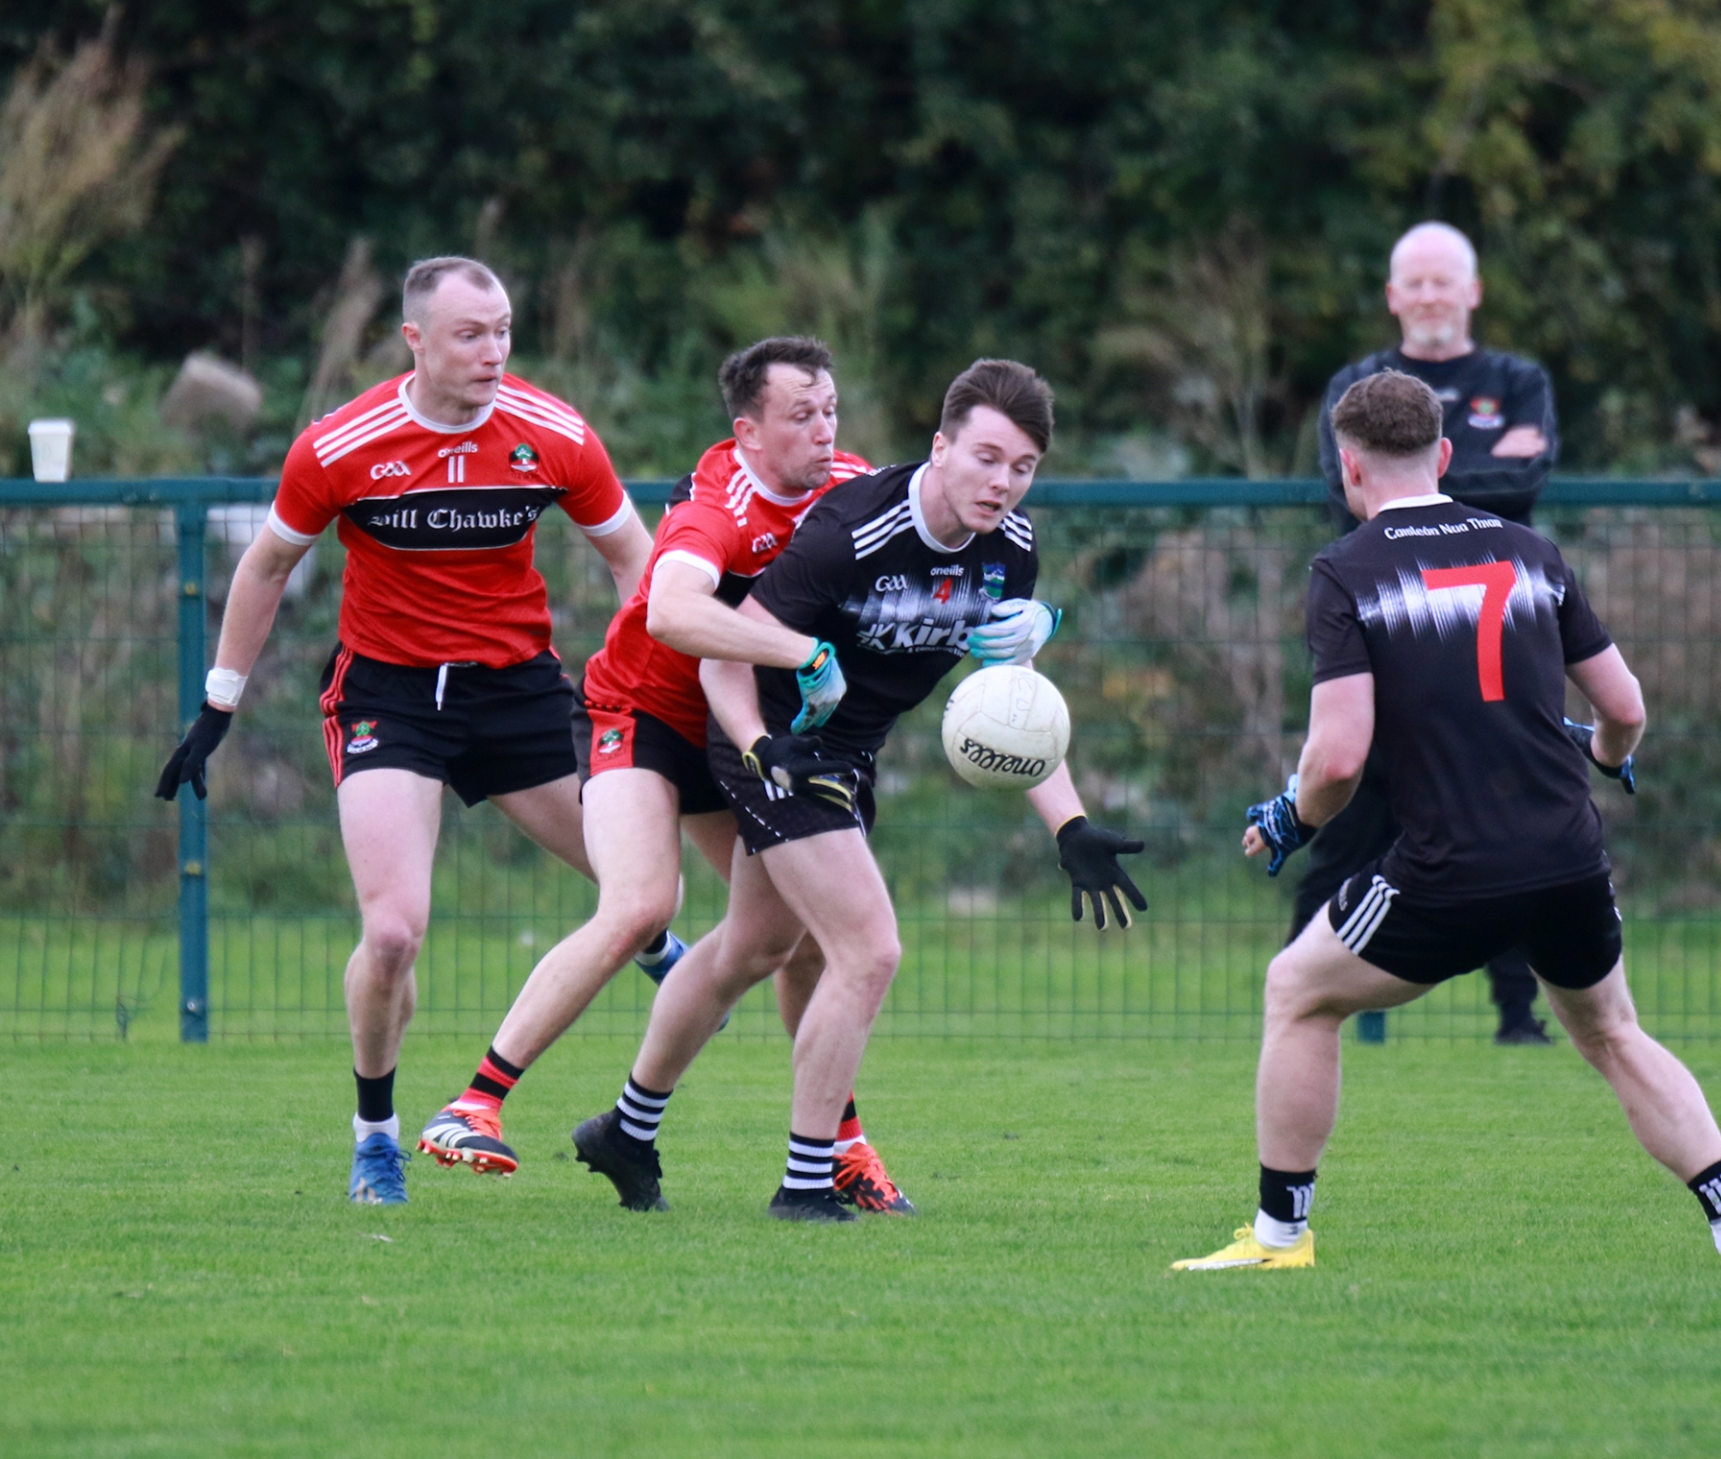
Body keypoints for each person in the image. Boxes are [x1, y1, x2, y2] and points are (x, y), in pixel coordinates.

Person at [1172, 369, 1721, 1271]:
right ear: (1446, 455)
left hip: (1451, 869)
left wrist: (1291, 820)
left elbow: (1337, 759)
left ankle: (1278, 1240)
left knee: (1297, 994)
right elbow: (1626, 706)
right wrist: (1608, 758)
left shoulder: (1348, 571)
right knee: (1615, 1032)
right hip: (1570, 855)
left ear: (1349, 468)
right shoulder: (1530, 551)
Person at [572, 358, 1150, 1222]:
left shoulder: (1012, 552)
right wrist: (762, 747)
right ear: (941, 446)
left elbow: (1014, 705)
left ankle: (626, 1128)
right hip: (773, 745)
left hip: (846, 756)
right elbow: (728, 654)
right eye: (986, 458)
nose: (1002, 484)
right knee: (869, 948)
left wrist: (1069, 823)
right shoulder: (854, 530)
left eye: (1022, 468)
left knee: (750, 949)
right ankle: (809, 1181)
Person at [155, 256, 653, 1206]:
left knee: (641, 891)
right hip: (389, 698)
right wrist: (219, 704)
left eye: (504, 329)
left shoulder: (551, 433)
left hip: (516, 694)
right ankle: (376, 1139)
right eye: (471, 334)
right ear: (415, 340)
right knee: (391, 934)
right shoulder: (342, 446)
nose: (494, 351)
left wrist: (649, 687)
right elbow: (263, 569)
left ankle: (663, 968)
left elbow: (635, 557)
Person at [415, 336, 914, 1211]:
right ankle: (475, 1103)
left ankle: (811, 1146)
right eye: (802, 415)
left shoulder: (849, 491)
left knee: (795, 936)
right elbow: (676, 605)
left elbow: (931, 523)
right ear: (748, 431)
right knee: (644, 903)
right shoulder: (717, 506)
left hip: (748, 738)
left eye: (830, 409)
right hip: (642, 718)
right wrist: (804, 649)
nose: (824, 429)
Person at [1300, 221, 1563, 1044]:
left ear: (1473, 290)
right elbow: (1333, 480)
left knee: (1510, 803)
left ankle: (1519, 1018)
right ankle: (1320, 994)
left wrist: (1414, 480)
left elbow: (1529, 476)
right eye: (1413, 282)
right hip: (1387, 623)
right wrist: (1472, 472)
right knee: (1354, 801)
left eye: (1443, 280)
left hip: (1497, 624)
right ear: (1392, 295)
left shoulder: (1516, 379)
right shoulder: (1359, 379)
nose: (1428, 295)